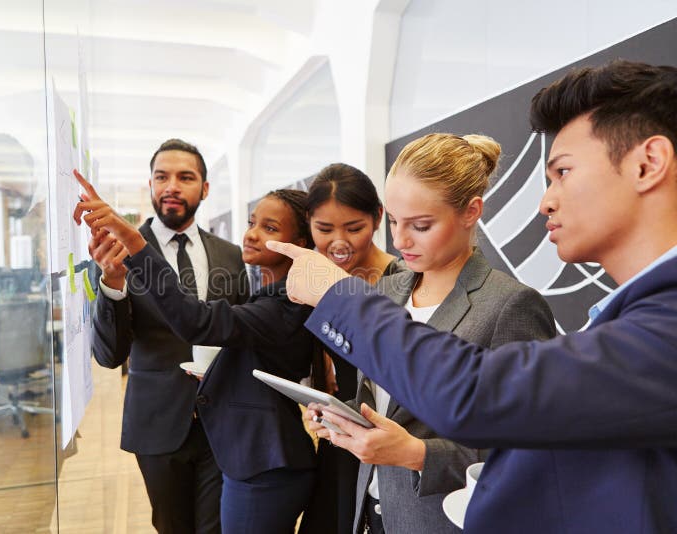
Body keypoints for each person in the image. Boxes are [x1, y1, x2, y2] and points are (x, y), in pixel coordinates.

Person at [267, 59, 677, 533]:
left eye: (562, 172)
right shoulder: (630, 317)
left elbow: (476, 394)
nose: (546, 201)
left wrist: (338, 295)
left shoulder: (653, 324)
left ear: (648, 163)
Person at [304, 135, 556, 534]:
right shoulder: (386, 292)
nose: (400, 240)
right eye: (393, 221)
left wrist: (417, 454)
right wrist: (344, 416)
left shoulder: (510, 305)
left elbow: (528, 449)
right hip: (371, 512)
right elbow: (386, 405)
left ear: (471, 211)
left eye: (421, 225)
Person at [75, 182, 319, 534]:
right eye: (252, 222)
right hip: (217, 441)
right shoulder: (273, 294)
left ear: (299, 245)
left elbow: (197, 322)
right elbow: (259, 359)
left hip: (261, 458)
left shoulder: (285, 302)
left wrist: (133, 242)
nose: (251, 235)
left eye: (269, 228)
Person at [87, 139, 249, 534]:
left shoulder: (230, 255)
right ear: (151, 185)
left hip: (223, 420)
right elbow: (109, 355)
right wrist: (112, 284)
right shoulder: (118, 252)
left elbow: (243, 335)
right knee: (173, 527)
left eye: (185, 177)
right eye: (162, 177)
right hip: (158, 422)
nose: (172, 186)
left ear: (205, 189)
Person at [298, 163, 404, 534]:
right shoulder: (316, 278)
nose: (338, 242)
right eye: (324, 230)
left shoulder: (401, 282)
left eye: (354, 228)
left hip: (386, 445)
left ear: (378, 218)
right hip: (337, 440)